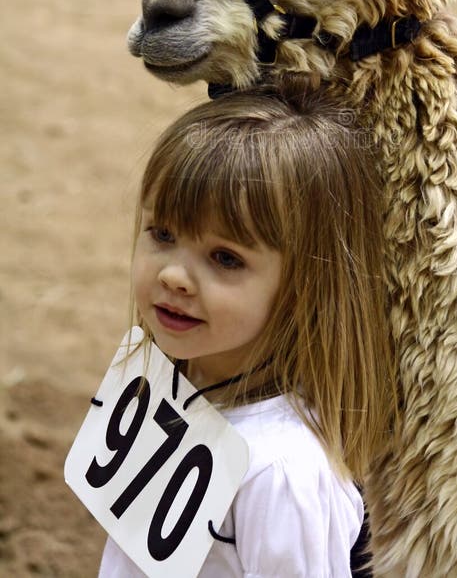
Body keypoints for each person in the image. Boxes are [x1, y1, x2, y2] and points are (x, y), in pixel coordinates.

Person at [98, 82, 396, 577]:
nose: (173, 275)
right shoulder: (161, 387)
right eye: (163, 234)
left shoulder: (283, 475)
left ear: (307, 284)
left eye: (225, 258)